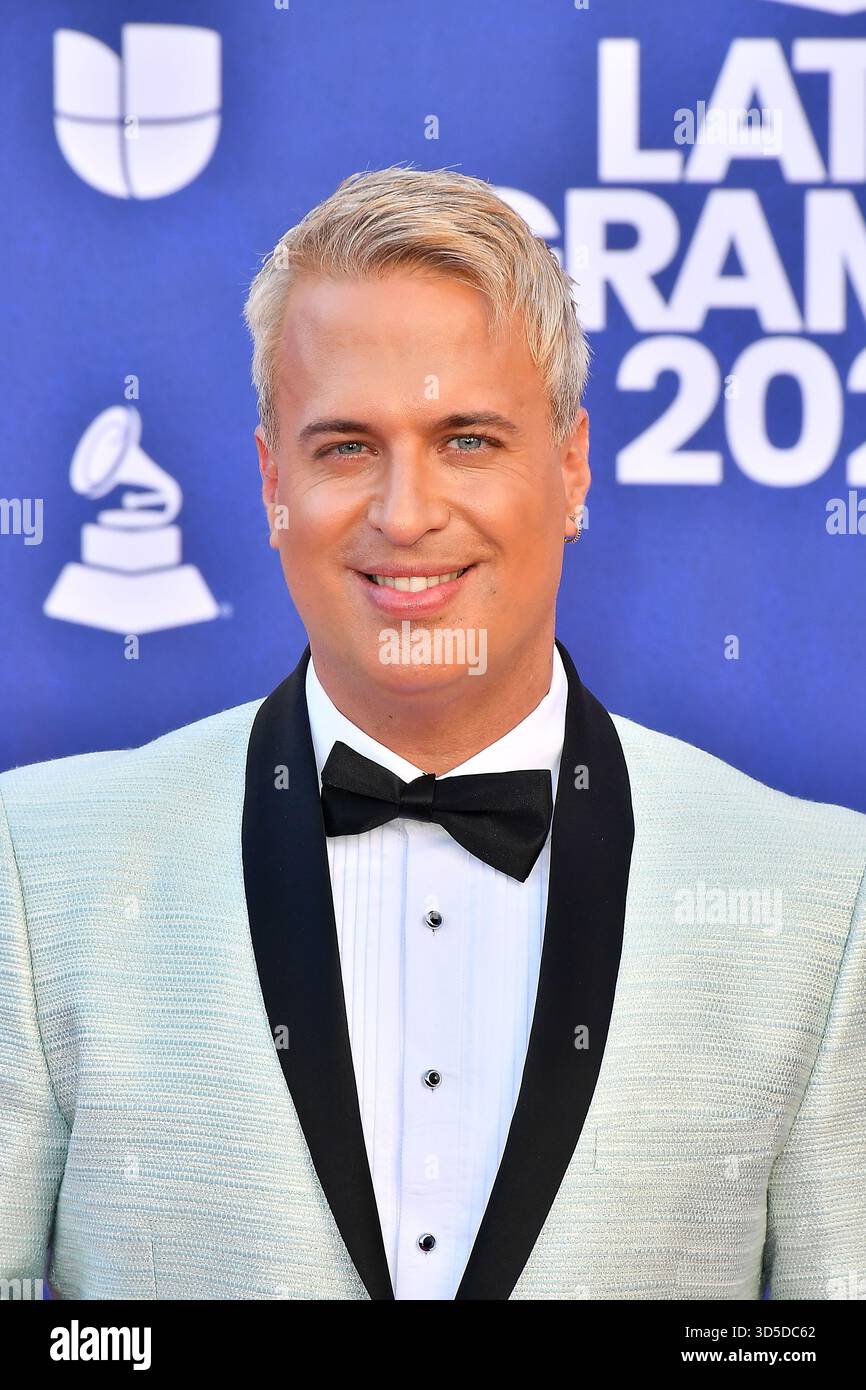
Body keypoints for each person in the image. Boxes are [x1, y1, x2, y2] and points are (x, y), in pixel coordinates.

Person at [1, 166, 864, 1301]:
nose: (404, 514)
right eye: (346, 445)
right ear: (271, 481)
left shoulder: (815, 897)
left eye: (465, 439)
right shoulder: (37, 869)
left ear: (568, 467)